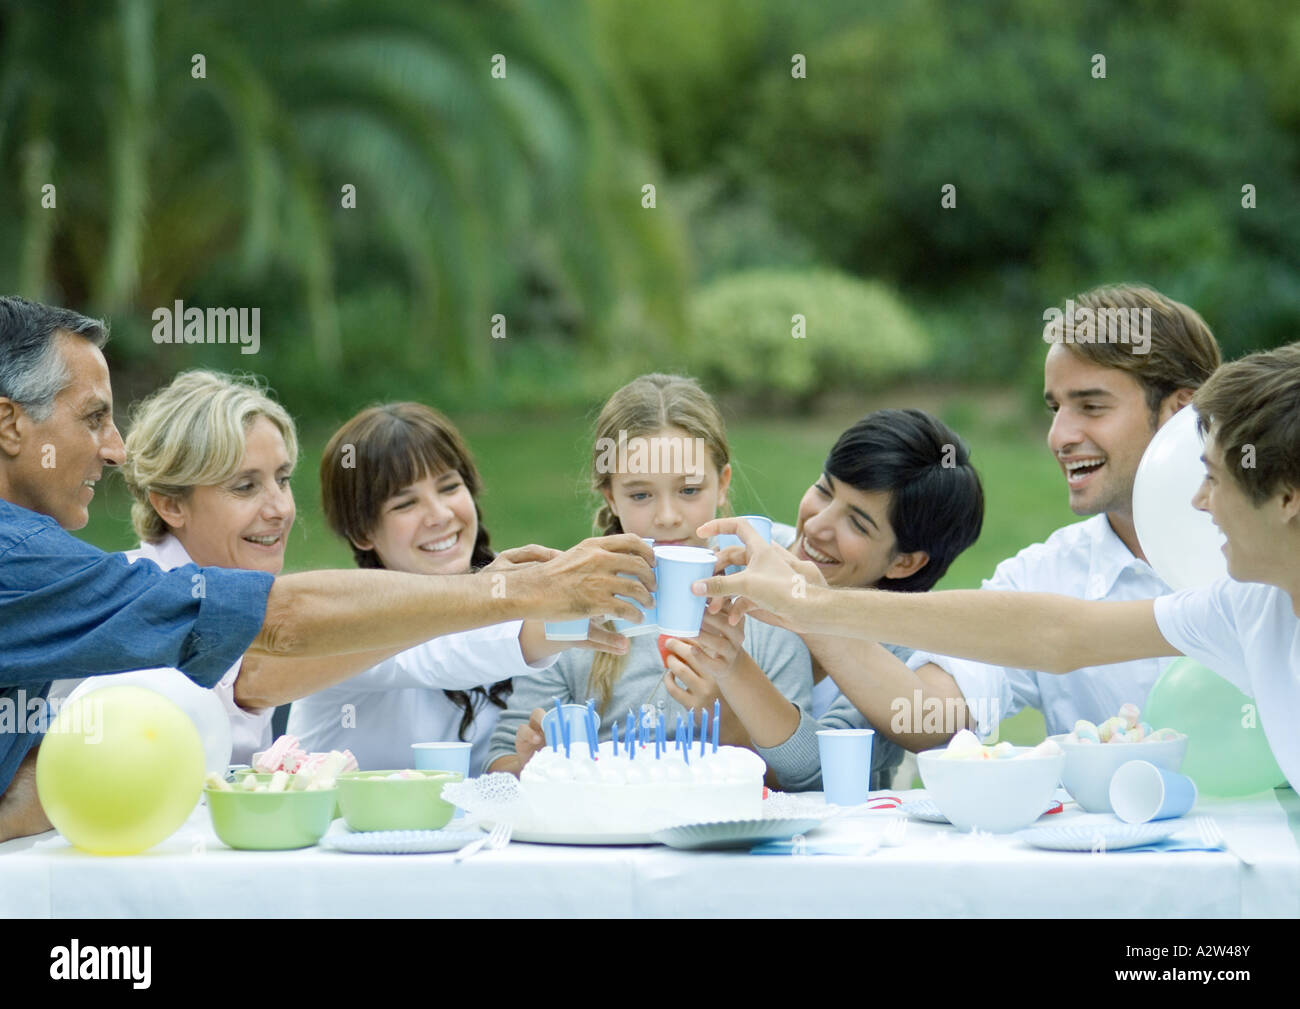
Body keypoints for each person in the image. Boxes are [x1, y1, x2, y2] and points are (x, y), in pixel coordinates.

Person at [0, 296, 654, 841]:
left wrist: (525, 598)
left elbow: (297, 661)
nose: (280, 508)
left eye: (281, 479)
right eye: (244, 485)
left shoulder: (60, 569)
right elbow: (278, 633)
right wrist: (519, 590)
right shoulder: (39, 563)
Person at [693, 342, 1300, 790]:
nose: (1198, 499)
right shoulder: (1247, 605)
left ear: (1286, 498)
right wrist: (810, 607)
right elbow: (1056, 634)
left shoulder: (1241, 593)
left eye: (1215, 479)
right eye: (1054, 407)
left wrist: (813, 609)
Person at [749, 284, 1221, 752]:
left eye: (1091, 406)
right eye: (1055, 408)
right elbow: (929, 715)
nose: (1059, 436)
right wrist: (805, 607)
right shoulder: (1042, 574)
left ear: (1181, 411)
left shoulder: (1269, 551)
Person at [486, 373, 812, 777]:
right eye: (640, 495)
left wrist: (730, 720)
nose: (668, 516)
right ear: (611, 497)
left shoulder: (760, 607)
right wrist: (532, 764)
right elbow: (499, 756)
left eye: (689, 490)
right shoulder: (573, 606)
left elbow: (805, 777)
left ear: (722, 484)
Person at [288, 403, 619, 773]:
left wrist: (530, 762)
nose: (440, 515)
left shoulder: (511, 585)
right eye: (405, 503)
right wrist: (563, 608)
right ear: (363, 532)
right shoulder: (349, 618)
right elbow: (444, 650)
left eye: (449, 487)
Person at [712, 409, 984, 790]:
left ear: (905, 562)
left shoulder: (902, 655)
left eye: (857, 523)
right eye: (824, 490)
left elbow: (824, 775)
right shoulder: (731, 556)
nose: (817, 525)